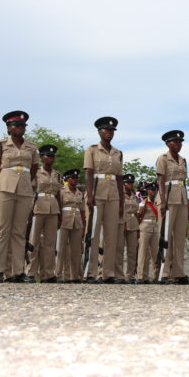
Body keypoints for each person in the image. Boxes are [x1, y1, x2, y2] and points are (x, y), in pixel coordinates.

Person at [0, 111, 39, 282]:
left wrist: (25, 182)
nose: (20, 128)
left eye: (23, 126)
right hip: (4, 188)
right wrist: (0, 183)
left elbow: (33, 168)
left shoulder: (31, 147)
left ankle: (17, 272)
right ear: (9, 128)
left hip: (24, 189)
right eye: (16, 126)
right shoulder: (1, 145)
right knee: (2, 229)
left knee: (19, 231)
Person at [83, 117, 124, 284]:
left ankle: (107, 273)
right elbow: (88, 173)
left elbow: (120, 178)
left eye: (112, 131)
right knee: (92, 234)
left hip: (113, 195)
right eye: (106, 130)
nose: (109, 133)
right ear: (99, 131)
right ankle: (90, 272)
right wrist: (90, 195)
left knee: (110, 235)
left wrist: (122, 201)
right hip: (97, 194)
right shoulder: (91, 150)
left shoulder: (118, 153)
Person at [155, 130, 189, 284]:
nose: (178, 144)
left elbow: (184, 182)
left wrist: (186, 200)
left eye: (180, 142)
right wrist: (162, 202)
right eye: (175, 142)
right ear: (168, 143)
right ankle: (164, 272)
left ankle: (178, 272)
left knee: (180, 237)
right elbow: (160, 181)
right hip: (168, 198)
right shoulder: (163, 159)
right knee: (165, 235)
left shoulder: (183, 160)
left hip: (181, 198)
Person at [25, 144, 61, 283]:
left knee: (50, 243)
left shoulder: (57, 175)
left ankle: (48, 273)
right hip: (38, 207)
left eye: (52, 156)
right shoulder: (36, 173)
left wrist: (60, 214)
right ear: (42, 157)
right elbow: (30, 191)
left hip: (53, 208)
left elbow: (58, 195)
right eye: (48, 156)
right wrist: (29, 211)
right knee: (34, 242)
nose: (51, 158)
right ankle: (30, 272)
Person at [57, 169, 86, 283]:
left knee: (76, 250)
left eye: (76, 178)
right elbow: (59, 207)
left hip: (77, 221)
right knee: (61, 249)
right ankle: (59, 274)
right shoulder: (62, 191)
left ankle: (76, 276)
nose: (75, 180)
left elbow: (82, 211)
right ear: (67, 179)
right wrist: (58, 220)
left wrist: (83, 226)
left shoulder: (80, 193)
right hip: (64, 220)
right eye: (72, 178)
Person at [135, 182, 160, 284]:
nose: (153, 192)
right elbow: (138, 216)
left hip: (155, 229)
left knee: (155, 254)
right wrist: (137, 229)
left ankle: (155, 277)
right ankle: (141, 276)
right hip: (145, 228)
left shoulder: (158, 203)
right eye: (151, 190)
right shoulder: (143, 202)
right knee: (142, 253)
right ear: (148, 191)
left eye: (155, 190)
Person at [119, 174, 140, 283]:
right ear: (124, 183)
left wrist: (138, 228)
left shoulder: (134, 195)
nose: (130, 185)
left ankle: (130, 275)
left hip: (133, 224)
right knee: (120, 250)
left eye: (131, 183)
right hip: (123, 222)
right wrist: (124, 224)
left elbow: (136, 212)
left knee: (132, 251)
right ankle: (119, 275)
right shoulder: (120, 194)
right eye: (128, 183)